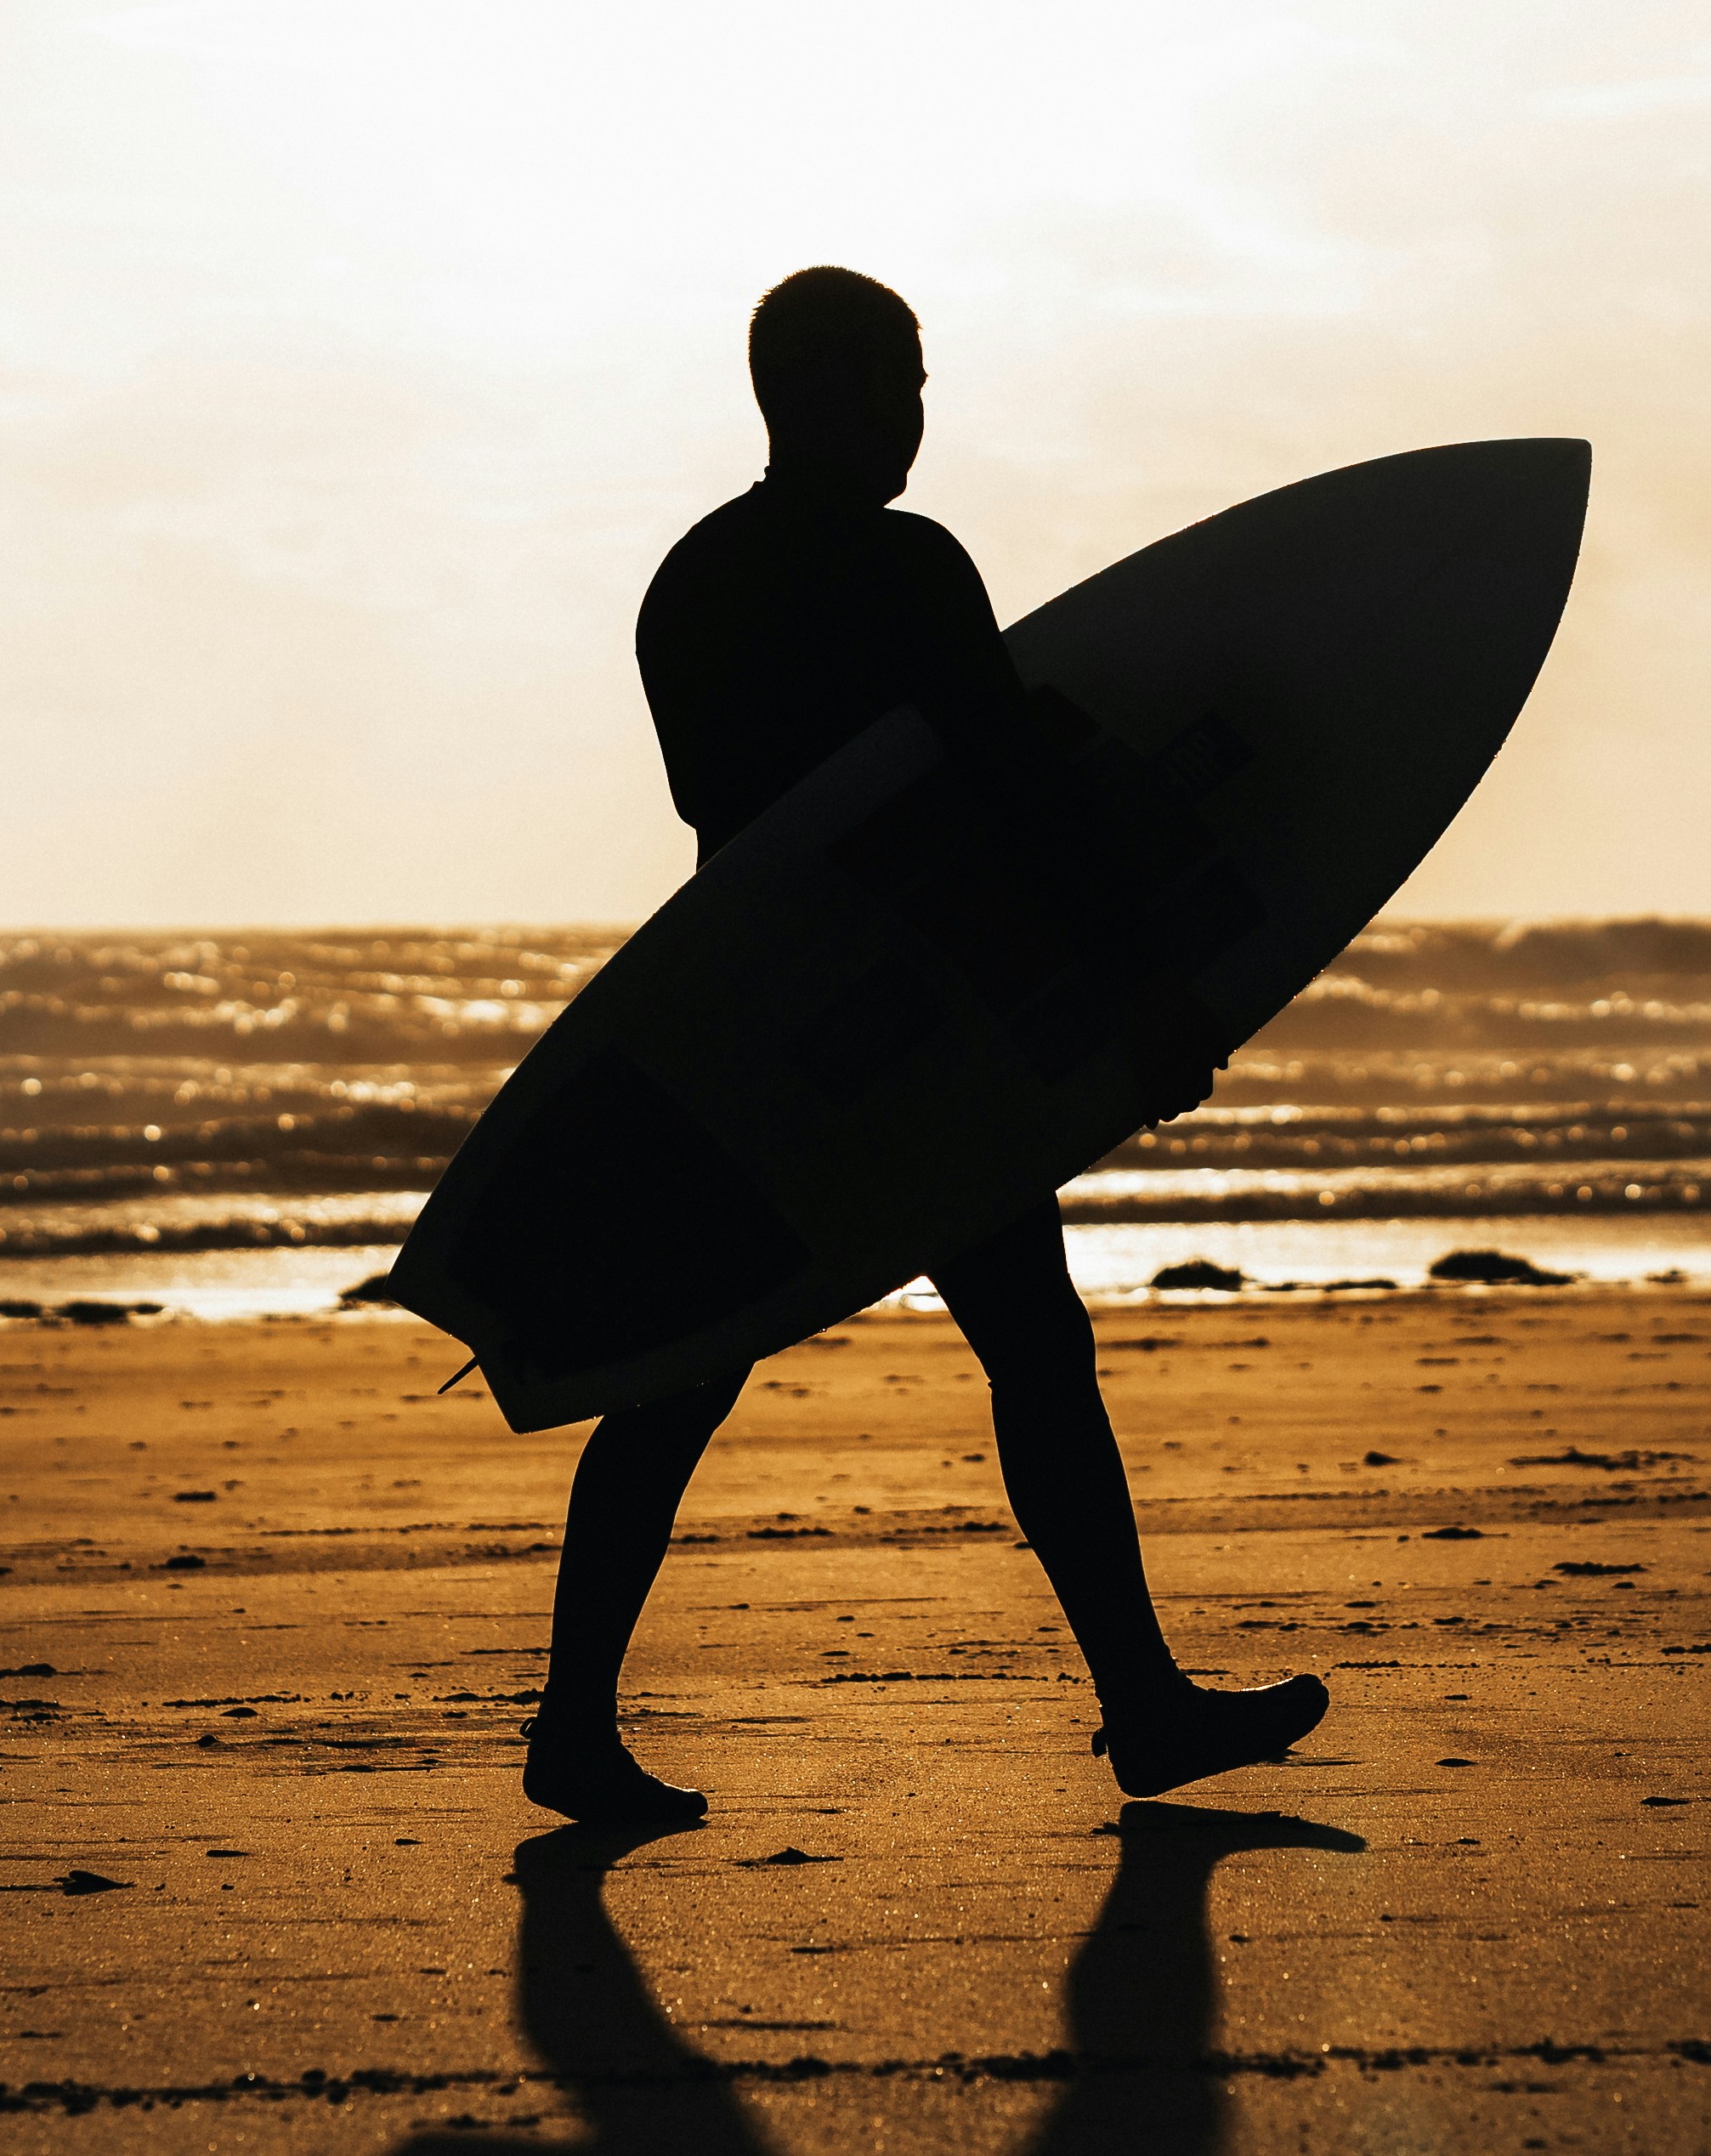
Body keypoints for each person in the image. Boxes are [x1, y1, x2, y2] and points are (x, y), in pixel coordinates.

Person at [517, 266, 1331, 1828]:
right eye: (900, 383)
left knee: (688, 1379)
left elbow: (714, 812)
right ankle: (1143, 1705)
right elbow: (1015, 788)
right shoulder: (903, 566)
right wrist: (1142, 987)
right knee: (1029, 1350)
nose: (914, 413)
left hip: (761, 1027)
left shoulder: (690, 579)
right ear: (831, 394)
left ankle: (573, 1726)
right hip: (924, 1029)